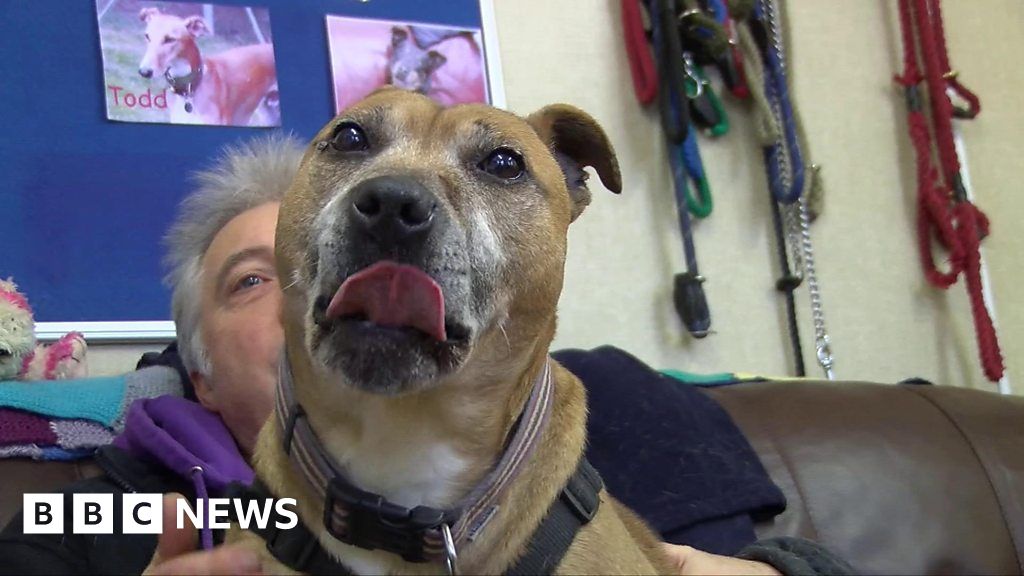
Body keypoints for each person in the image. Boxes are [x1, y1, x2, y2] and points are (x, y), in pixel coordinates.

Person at [0, 135, 851, 576]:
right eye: (256, 282)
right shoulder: (124, 498)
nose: (315, 293)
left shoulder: (600, 404)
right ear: (200, 369)